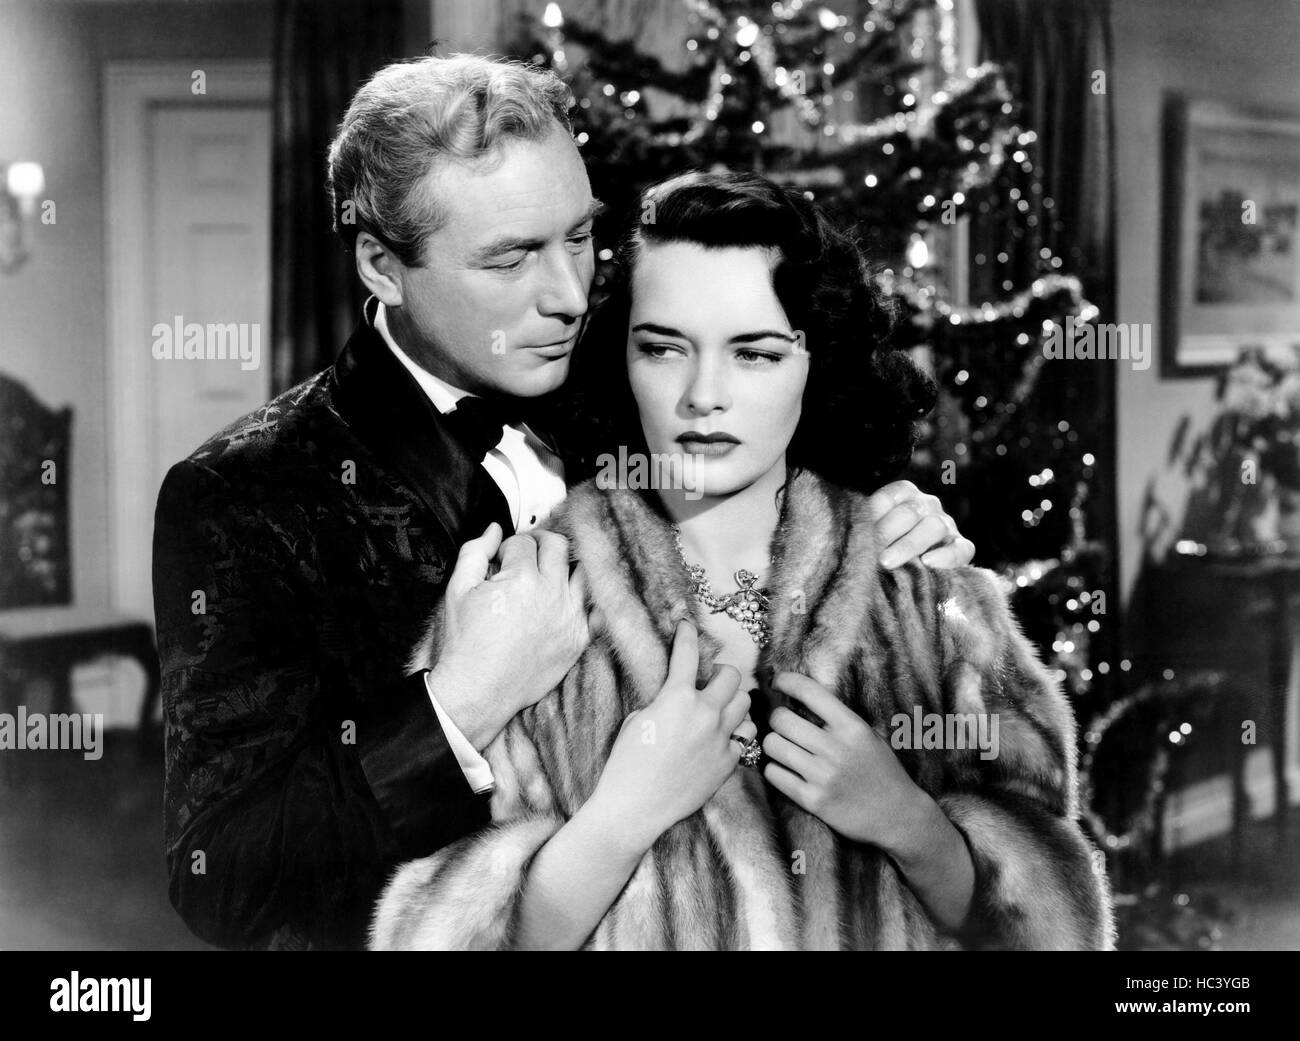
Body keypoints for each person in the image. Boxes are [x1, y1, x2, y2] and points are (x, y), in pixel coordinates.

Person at [152, 55, 970, 950]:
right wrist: (456, 703)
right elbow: (223, 877)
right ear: (383, 265)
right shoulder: (246, 495)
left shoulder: (643, 362)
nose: (571, 296)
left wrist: (884, 516)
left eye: (579, 237)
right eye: (510, 258)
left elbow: (788, 419)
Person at [369, 171, 1115, 951]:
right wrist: (618, 819)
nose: (703, 395)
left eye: (754, 354)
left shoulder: (929, 595)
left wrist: (909, 822)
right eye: (663, 348)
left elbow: (1057, 931)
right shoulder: (526, 602)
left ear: (814, 362)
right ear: (618, 357)